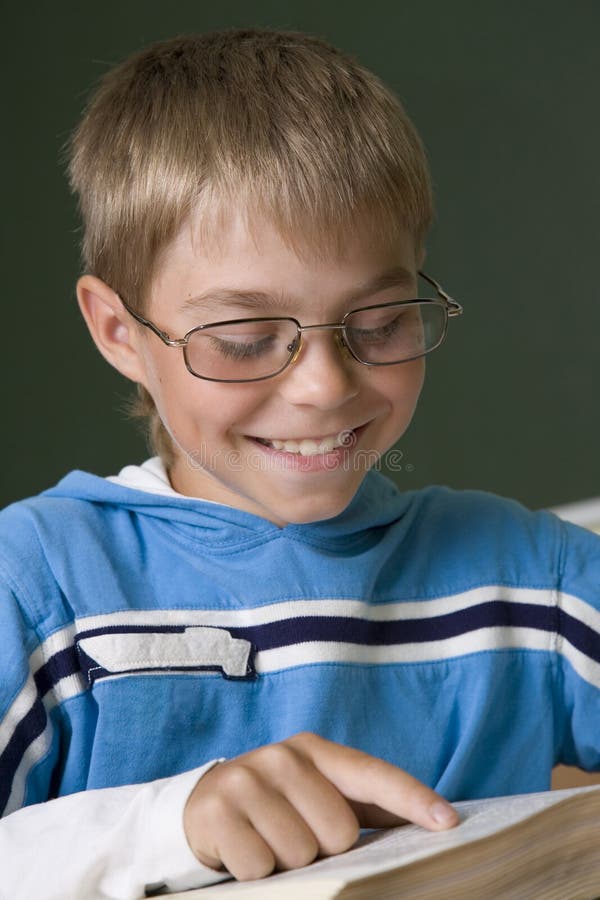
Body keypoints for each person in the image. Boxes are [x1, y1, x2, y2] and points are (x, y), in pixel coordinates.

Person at [1, 27, 599, 899]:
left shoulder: (531, 582)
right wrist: (169, 824)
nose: (324, 386)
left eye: (382, 321)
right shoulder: (39, 581)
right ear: (120, 332)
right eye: (244, 340)